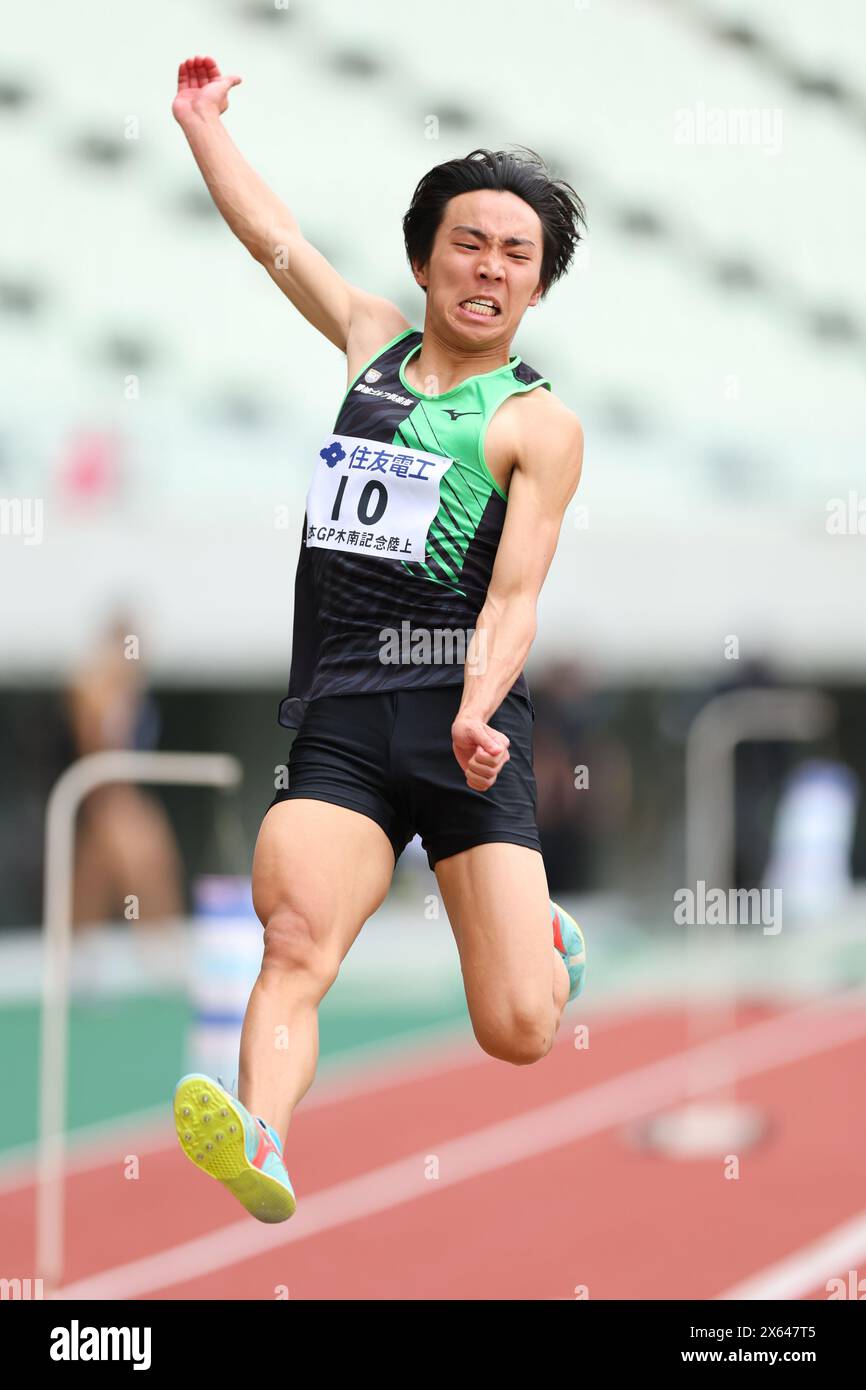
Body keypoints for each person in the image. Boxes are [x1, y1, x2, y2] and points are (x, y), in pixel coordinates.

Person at [170, 55, 587, 1223]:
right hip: (346, 714)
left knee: (516, 1029)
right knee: (293, 936)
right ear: (425, 260)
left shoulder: (535, 425)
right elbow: (274, 241)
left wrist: (474, 704)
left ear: (535, 286)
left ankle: (544, 941)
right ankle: (261, 1134)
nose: (488, 267)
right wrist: (200, 125)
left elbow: (514, 596)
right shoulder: (367, 342)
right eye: (469, 243)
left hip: (466, 727)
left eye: (515, 253)